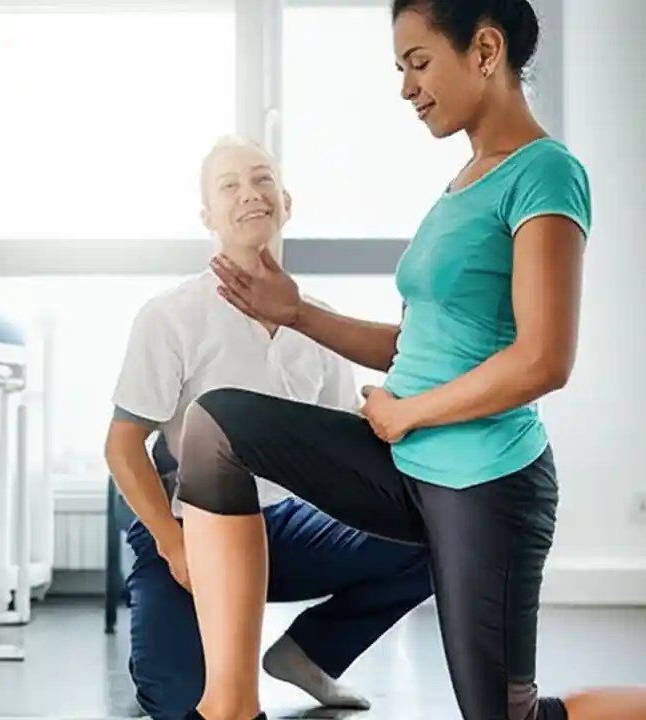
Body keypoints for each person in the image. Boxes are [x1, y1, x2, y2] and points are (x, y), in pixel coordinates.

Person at [173, 2, 646, 720]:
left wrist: (409, 413)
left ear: (486, 49)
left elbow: (543, 359)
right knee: (215, 427)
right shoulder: (461, 184)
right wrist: (296, 312)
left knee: (507, 717)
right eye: (400, 69)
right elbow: (416, 345)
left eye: (419, 62)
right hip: (404, 461)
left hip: (487, 483)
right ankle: (229, 706)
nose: (406, 87)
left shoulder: (547, 174)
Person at [105, 135, 433, 720]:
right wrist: (173, 542)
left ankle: (310, 654)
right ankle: (172, 650)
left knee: (437, 537)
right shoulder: (171, 316)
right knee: (182, 704)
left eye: (261, 180)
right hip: (188, 529)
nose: (249, 193)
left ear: (286, 201)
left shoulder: (319, 323)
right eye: (229, 186)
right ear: (208, 215)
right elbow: (122, 445)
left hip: (285, 527)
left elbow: (343, 442)